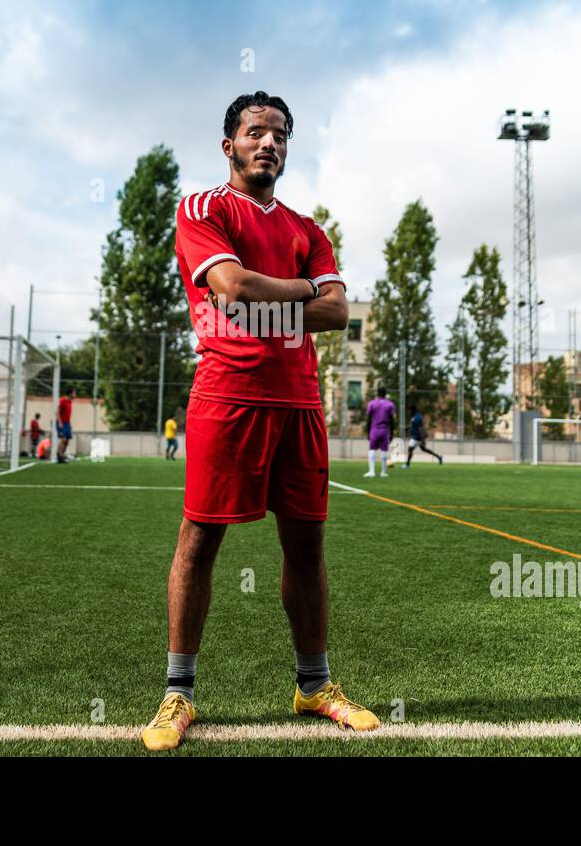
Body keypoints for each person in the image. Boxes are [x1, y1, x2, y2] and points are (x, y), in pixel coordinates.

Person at [142, 91, 378, 752]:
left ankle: (314, 685)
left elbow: (339, 313)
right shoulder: (203, 209)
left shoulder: (307, 228)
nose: (268, 143)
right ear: (230, 145)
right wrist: (303, 289)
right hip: (228, 396)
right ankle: (178, 693)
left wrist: (287, 294)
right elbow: (234, 288)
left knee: (306, 549)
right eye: (254, 132)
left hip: (301, 399)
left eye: (278, 134)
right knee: (200, 542)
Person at [364, 386, 395, 478]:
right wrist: (392, 433)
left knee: (372, 449)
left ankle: (372, 472)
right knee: (384, 450)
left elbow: (369, 419)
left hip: (374, 429)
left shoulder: (372, 404)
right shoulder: (390, 404)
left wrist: (368, 431)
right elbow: (392, 420)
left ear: (377, 393)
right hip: (385, 429)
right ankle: (383, 472)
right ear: (385, 394)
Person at [56, 387, 75, 463]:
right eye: (74, 393)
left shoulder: (70, 401)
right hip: (61, 423)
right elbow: (57, 412)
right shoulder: (62, 400)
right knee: (63, 439)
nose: (75, 394)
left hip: (67, 423)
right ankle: (59, 456)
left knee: (67, 441)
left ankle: (61, 455)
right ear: (70, 393)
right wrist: (60, 422)